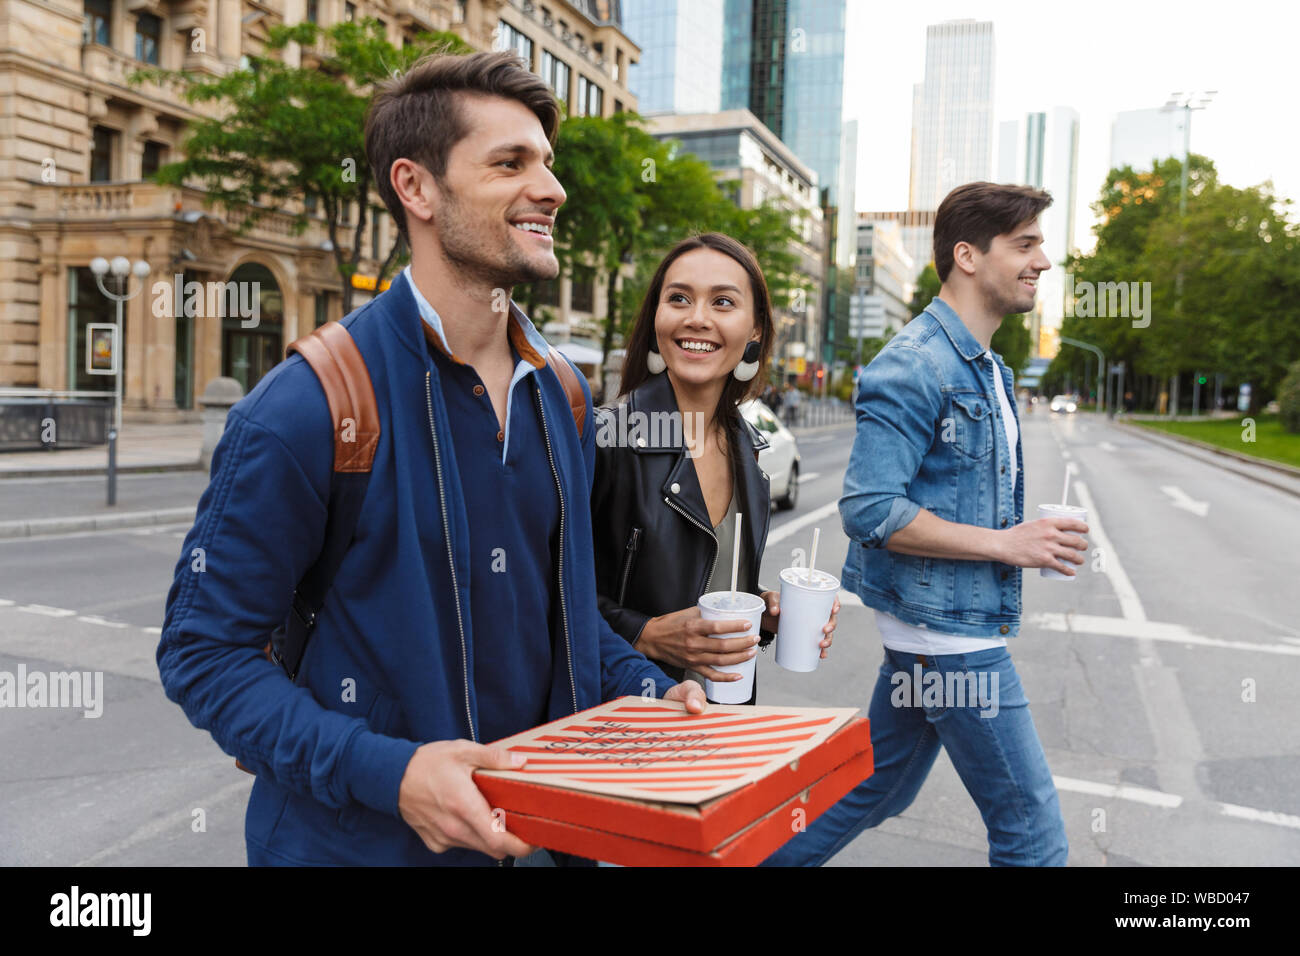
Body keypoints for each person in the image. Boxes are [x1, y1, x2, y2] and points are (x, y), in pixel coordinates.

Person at [156, 51, 707, 867]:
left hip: (543, 843)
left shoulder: (563, 394)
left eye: (547, 165)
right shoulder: (310, 404)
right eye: (510, 163)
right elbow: (201, 654)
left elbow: (563, 617)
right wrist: (396, 773)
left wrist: (650, 692)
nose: (552, 190)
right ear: (416, 188)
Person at [764, 182, 1088, 867]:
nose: (1043, 261)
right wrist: (1006, 543)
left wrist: (1015, 535)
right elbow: (869, 509)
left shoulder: (990, 368)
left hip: (936, 632)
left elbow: (947, 490)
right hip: (949, 640)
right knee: (1032, 833)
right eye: (1025, 245)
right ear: (967, 256)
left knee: (871, 789)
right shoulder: (913, 365)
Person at [590, 234, 839, 704]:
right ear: (657, 317)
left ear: (756, 330)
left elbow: (715, 582)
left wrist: (765, 610)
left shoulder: (749, 450)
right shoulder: (606, 439)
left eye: (723, 302)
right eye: (678, 298)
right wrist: (644, 633)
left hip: (725, 719)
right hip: (630, 723)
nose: (697, 318)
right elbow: (545, 595)